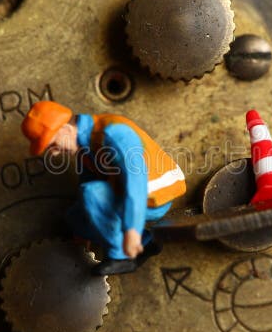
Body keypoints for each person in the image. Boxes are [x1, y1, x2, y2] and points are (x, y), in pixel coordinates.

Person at [21, 101, 186, 275]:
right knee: (75, 218)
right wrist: (82, 236)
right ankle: (147, 243)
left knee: (91, 193)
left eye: (53, 144)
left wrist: (132, 231)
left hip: (154, 196)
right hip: (125, 192)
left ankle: (123, 257)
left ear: (66, 130)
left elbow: (135, 185)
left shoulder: (114, 134)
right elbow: (88, 182)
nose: (54, 153)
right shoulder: (84, 148)